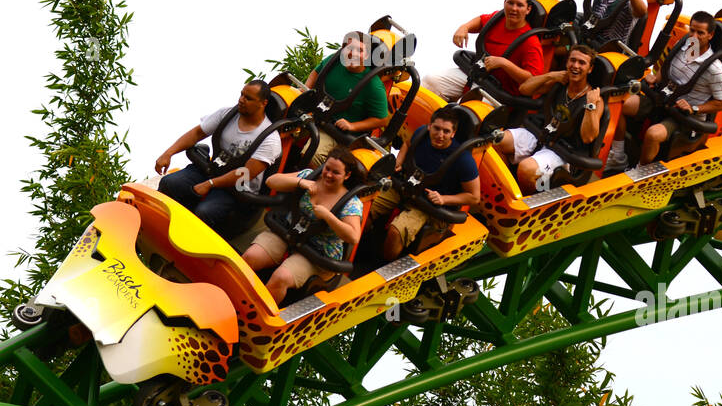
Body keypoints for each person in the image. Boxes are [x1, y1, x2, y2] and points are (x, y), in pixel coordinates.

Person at [154, 80, 282, 237]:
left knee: (205, 212)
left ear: (263, 103)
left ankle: (187, 243)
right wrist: (168, 153)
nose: (241, 100)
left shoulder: (270, 139)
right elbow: (197, 133)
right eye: (241, 94)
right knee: (170, 183)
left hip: (237, 190)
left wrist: (210, 184)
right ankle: (155, 228)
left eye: (248, 98)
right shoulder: (227, 114)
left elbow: (246, 173)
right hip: (212, 170)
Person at [241, 149, 365, 306]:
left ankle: (256, 313)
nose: (328, 175)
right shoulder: (311, 176)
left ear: (346, 176)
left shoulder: (351, 203)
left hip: (316, 251)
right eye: (327, 168)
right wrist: (300, 182)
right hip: (289, 232)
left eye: (336, 172)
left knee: (281, 277)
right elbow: (271, 181)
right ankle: (235, 296)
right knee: (251, 257)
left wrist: (328, 216)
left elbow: (353, 236)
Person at [607, 11, 722, 167]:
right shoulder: (685, 45)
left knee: (653, 134)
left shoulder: (715, 69)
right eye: (692, 30)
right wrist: (656, 78)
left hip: (681, 116)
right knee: (619, 105)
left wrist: (694, 108)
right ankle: (618, 156)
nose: (694, 36)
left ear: (710, 35)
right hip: (661, 99)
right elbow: (667, 68)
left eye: (700, 33)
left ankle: (641, 170)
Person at [494, 44, 608, 193]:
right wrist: (551, 75)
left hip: (564, 151)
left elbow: (588, 137)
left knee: (526, 169)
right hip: (542, 135)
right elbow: (525, 89)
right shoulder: (559, 83)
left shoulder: (594, 100)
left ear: (590, 69)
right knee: (496, 141)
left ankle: (528, 202)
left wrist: (590, 106)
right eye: (572, 60)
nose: (575, 66)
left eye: (582, 63)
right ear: (567, 62)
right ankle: (507, 191)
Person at [372, 107, 481, 261]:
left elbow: (474, 197)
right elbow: (407, 144)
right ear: (429, 126)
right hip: (404, 186)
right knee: (367, 206)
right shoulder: (422, 133)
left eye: (446, 131)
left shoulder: (463, 160)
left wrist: (444, 199)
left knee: (396, 232)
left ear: (453, 133)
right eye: (436, 128)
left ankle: (381, 266)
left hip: (427, 205)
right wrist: (399, 162)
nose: (440, 135)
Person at [424, 0, 546, 102]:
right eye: (510, 3)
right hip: (476, 75)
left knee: (466, 107)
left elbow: (532, 80)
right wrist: (464, 27)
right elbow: (481, 20)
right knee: (430, 81)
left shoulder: (530, 42)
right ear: (504, 3)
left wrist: (504, 64)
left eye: (520, 5)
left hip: (498, 92)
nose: (514, 8)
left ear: (528, 9)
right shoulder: (498, 18)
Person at [305, 31, 391, 164]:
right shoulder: (334, 61)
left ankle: (308, 183)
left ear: (367, 55)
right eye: (350, 48)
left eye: (360, 50)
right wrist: (304, 90)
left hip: (336, 132)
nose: (353, 54)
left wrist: (352, 126)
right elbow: (316, 72)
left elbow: (381, 119)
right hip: (315, 115)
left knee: (311, 155)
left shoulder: (373, 85)